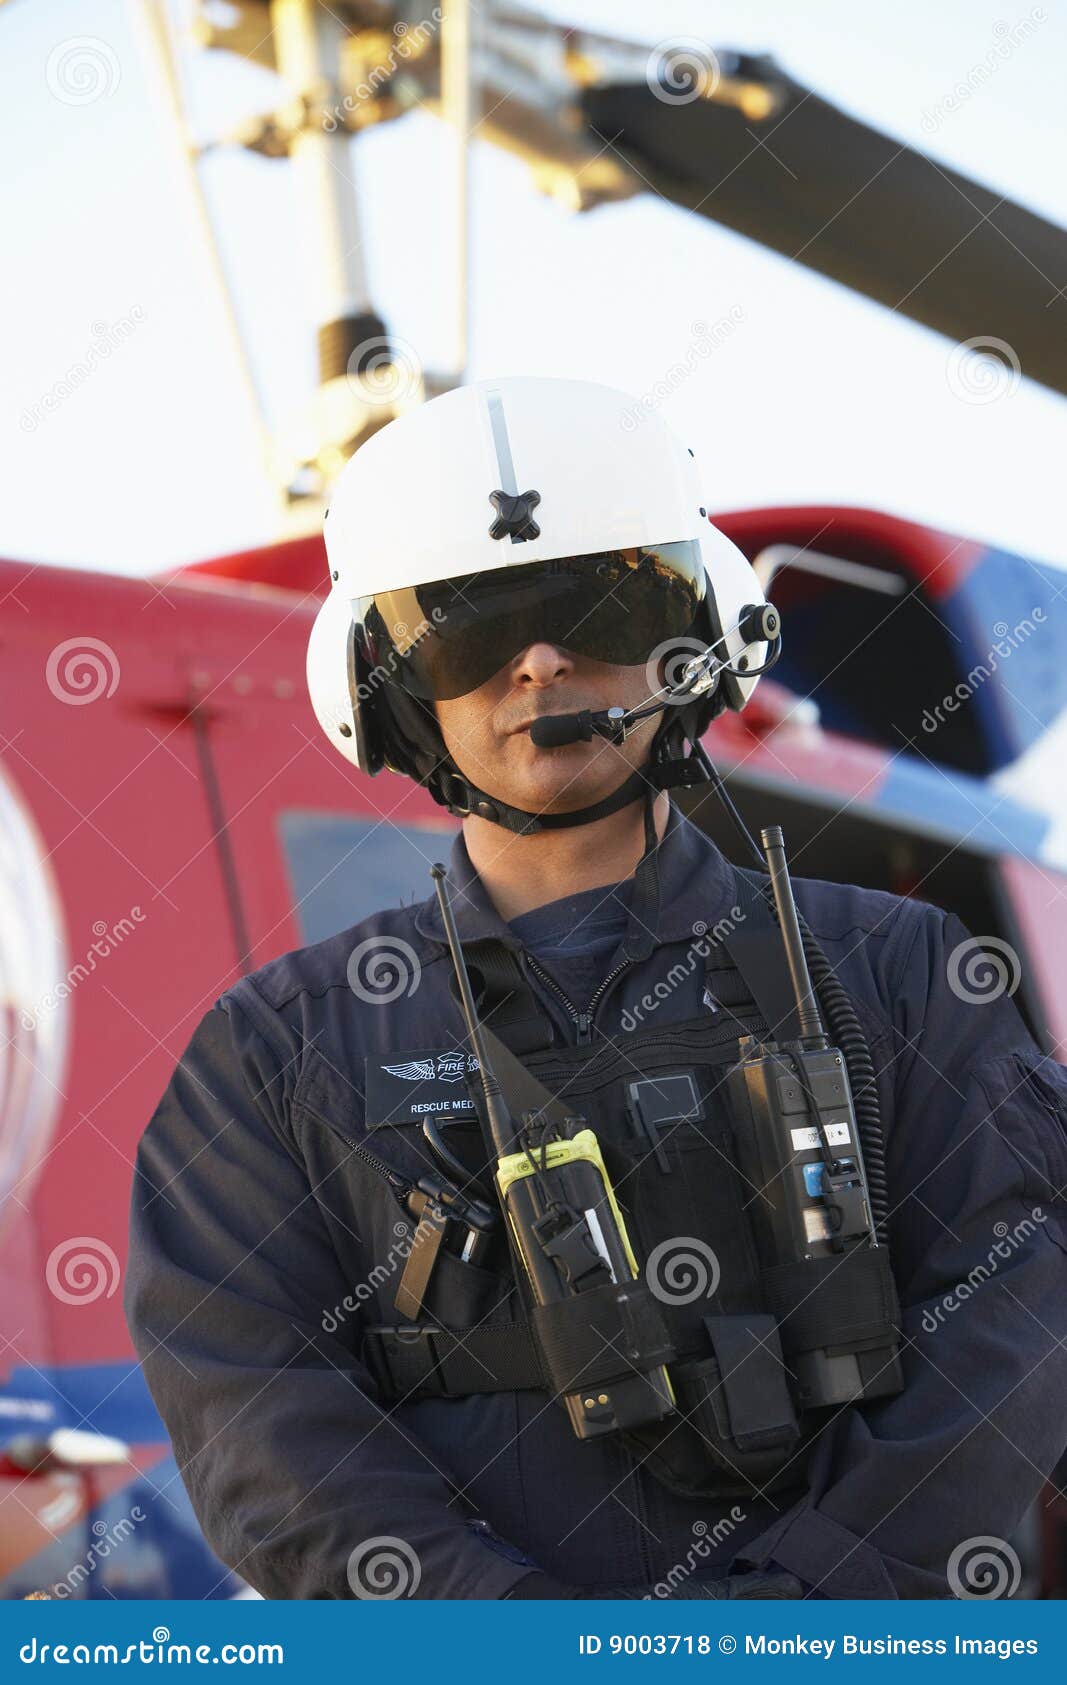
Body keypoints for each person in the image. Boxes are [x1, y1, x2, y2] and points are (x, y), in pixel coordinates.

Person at [124, 377, 1067, 1601]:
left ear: (698, 634)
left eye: (598, 604)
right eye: (464, 630)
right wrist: (524, 1646)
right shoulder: (269, 1057)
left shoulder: (903, 974)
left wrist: (795, 1620)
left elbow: (1011, 1318)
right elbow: (257, 1412)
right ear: (386, 685)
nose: (539, 659)